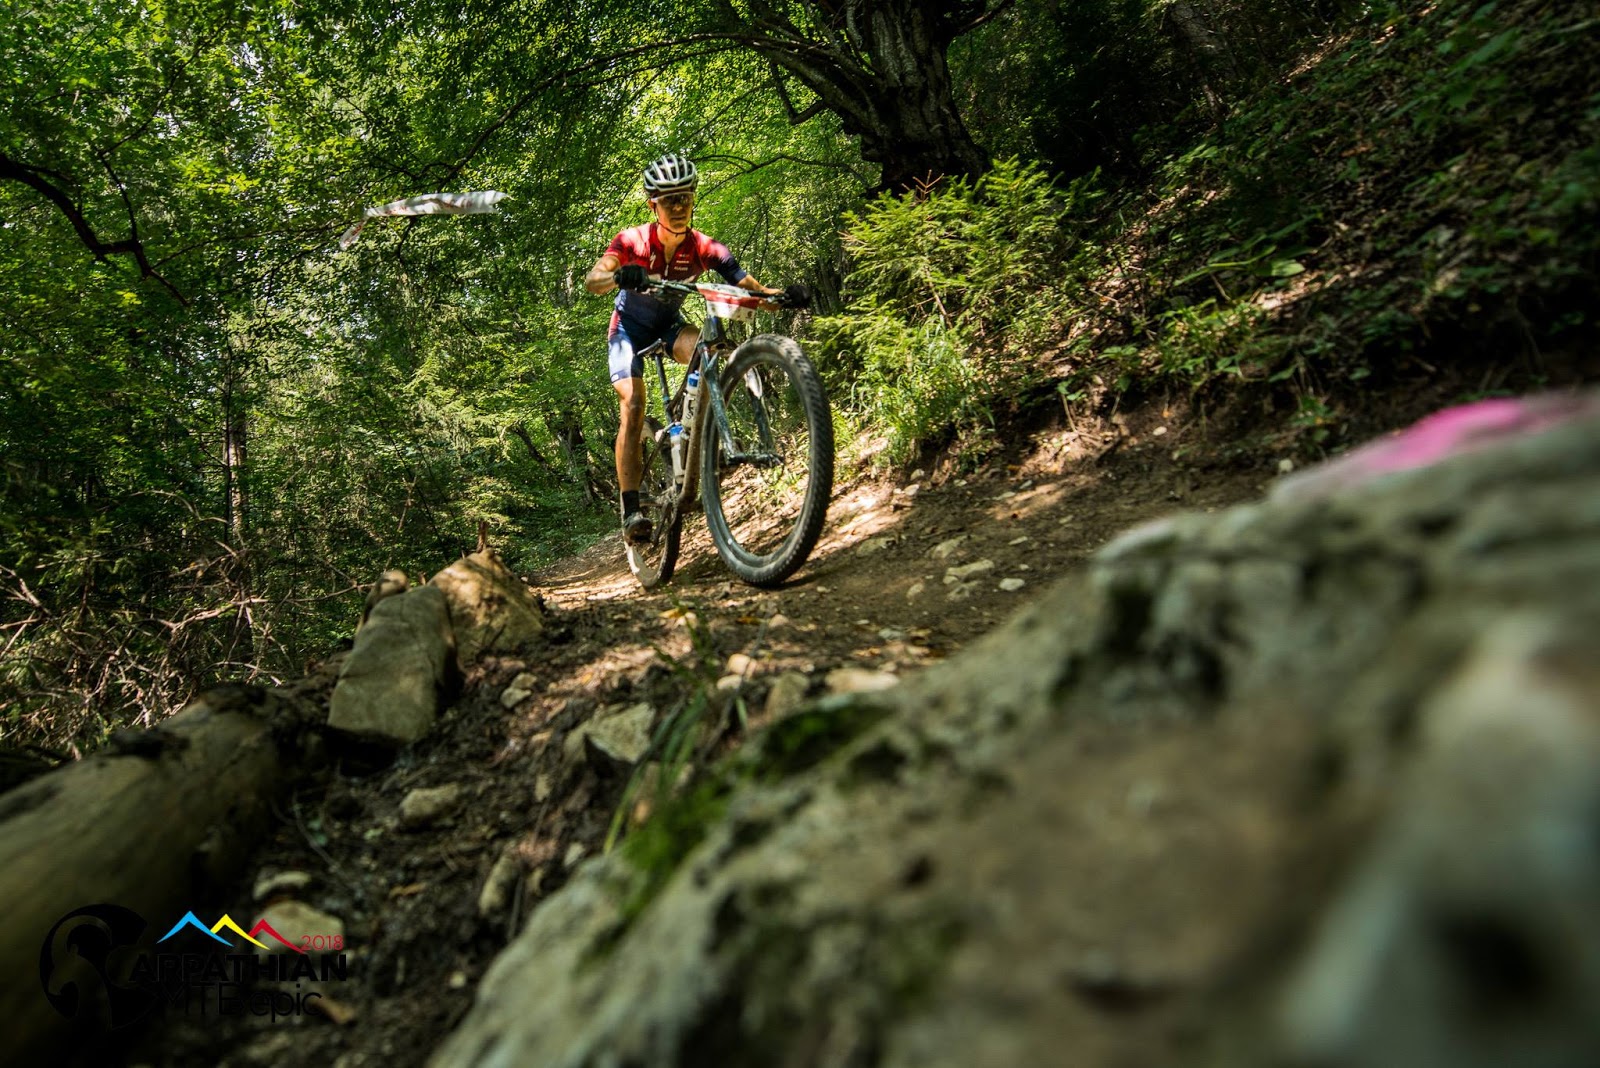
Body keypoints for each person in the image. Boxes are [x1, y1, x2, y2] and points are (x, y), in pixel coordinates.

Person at [584, 153, 809, 544]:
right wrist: (619, 273)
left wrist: (782, 296)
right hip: (628, 333)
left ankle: (695, 432)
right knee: (633, 406)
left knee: (711, 350)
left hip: (668, 326)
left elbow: (748, 287)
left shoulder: (705, 247)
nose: (678, 207)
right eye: (669, 200)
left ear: (692, 199)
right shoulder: (632, 240)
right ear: (653, 204)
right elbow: (595, 279)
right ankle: (631, 507)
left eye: (684, 198)